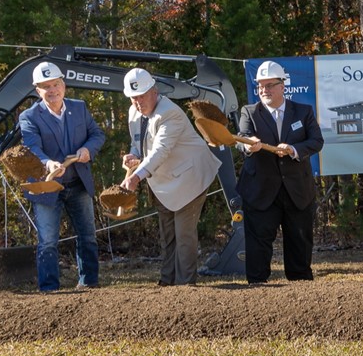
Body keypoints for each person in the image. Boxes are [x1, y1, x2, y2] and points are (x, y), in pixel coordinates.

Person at [119, 68, 220, 286]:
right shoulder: (133, 112)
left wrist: (136, 177)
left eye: (142, 96)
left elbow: (160, 150)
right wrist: (134, 155)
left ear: (154, 91)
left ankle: (185, 286)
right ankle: (167, 283)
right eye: (133, 98)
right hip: (164, 181)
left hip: (190, 177)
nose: (138, 102)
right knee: (168, 236)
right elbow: (140, 143)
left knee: (184, 236)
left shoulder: (170, 113)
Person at [19, 62, 106, 292]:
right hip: (47, 186)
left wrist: (88, 149)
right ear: (37, 90)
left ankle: (89, 283)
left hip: (78, 183)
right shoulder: (28, 117)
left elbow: (97, 134)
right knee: (47, 241)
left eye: (56, 84)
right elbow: (31, 148)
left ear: (63, 85)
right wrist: (48, 163)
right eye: (46, 87)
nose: (52, 90)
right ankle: (49, 289)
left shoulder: (79, 108)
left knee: (87, 236)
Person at [236, 61, 325, 284]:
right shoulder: (250, 112)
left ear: (282, 86)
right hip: (260, 191)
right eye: (260, 86)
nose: (264, 91)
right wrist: (248, 145)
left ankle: (302, 293)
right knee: (257, 248)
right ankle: (257, 292)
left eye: (269, 85)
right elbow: (241, 138)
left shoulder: (303, 112)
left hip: (296, 191)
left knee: (299, 245)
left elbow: (316, 141)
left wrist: (294, 149)